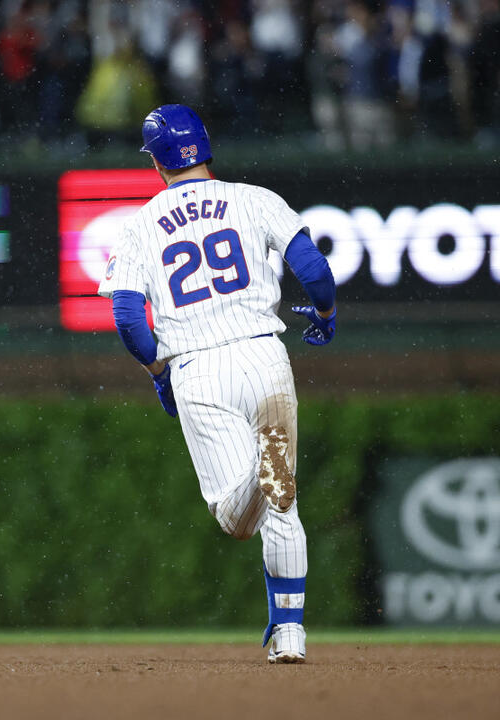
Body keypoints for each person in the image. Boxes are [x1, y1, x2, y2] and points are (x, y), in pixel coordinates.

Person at [97, 105, 337, 664]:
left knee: (237, 519)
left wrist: (157, 372)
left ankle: (287, 631)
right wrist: (324, 315)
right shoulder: (255, 198)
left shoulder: (139, 226)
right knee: (284, 502)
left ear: (157, 162)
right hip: (265, 355)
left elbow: (130, 320)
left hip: (197, 369)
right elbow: (314, 269)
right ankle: (292, 634)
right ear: (206, 147)